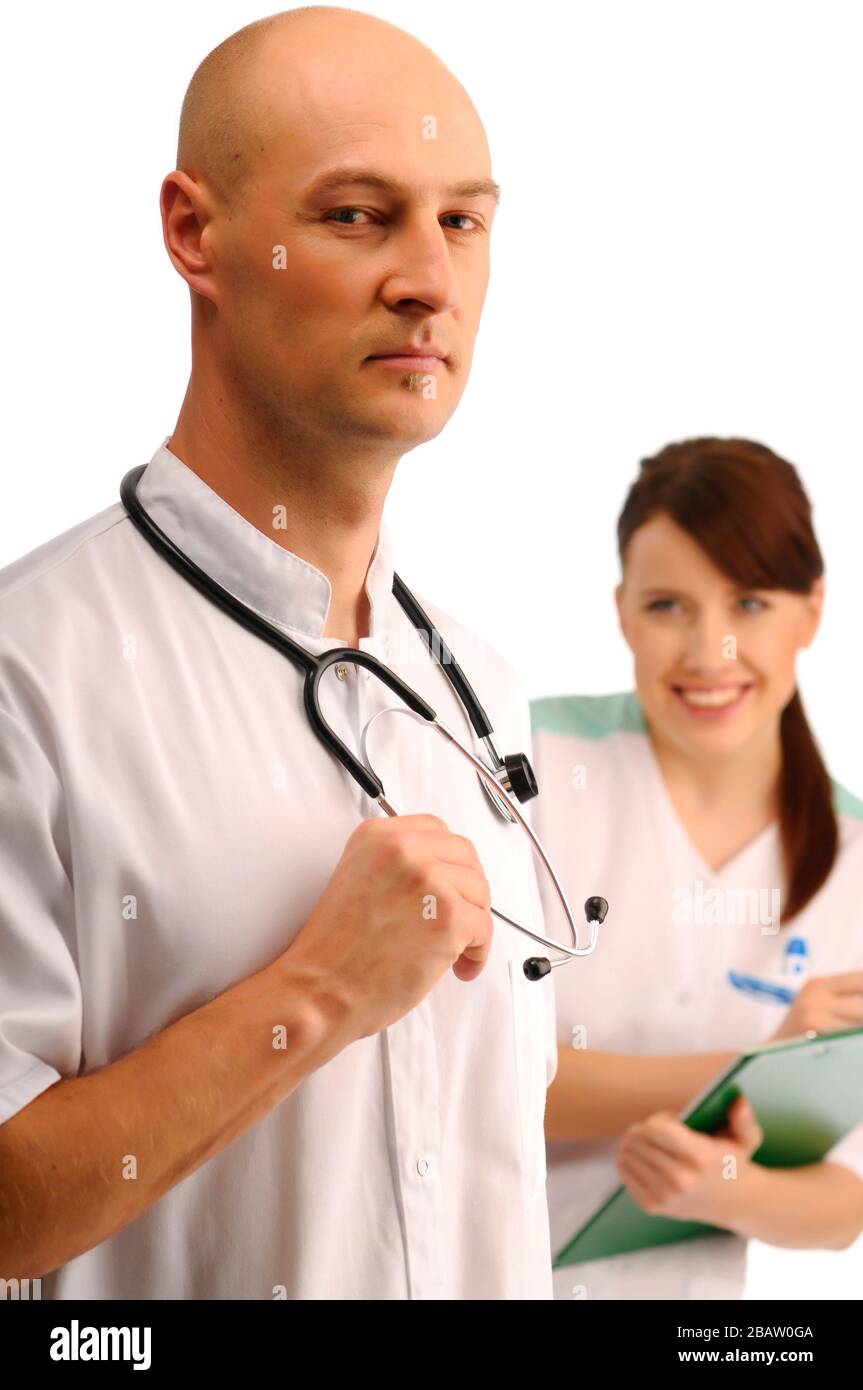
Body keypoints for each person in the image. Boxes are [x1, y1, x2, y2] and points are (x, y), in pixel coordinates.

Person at [0, 7, 557, 1300]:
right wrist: (312, 991)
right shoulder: (31, 676)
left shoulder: (480, 689)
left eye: (461, 222)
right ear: (196, 233)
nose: (427, 276)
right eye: (358, 216)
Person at [529, 436, 863, 1300]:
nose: (709, 653)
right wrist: (757, 1062)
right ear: (621, 611)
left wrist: (723, 1186)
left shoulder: (853, 858)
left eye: (749, 603)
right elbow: (474, 1067)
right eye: (668, 606)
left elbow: (845, 1202)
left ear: (812, 609)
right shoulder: (528, 767)